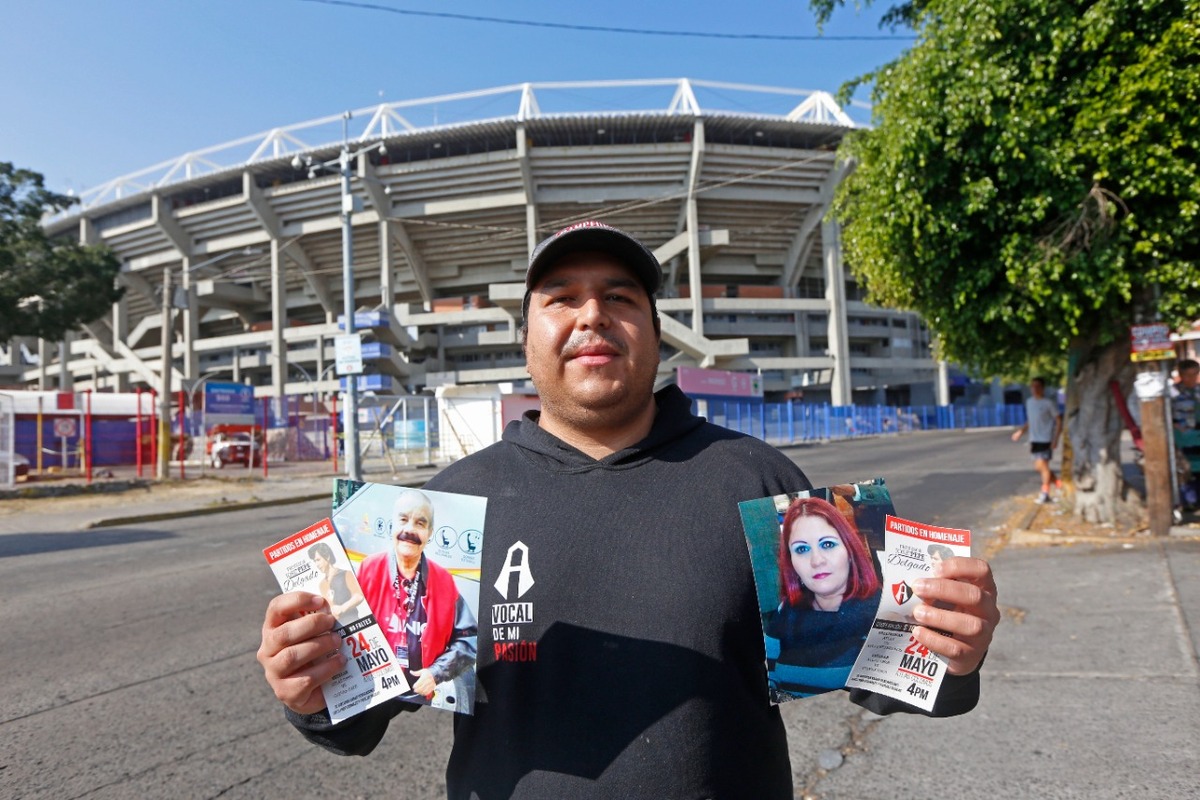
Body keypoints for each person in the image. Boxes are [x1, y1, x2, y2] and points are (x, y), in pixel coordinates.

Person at [257, 220, 1000, 799]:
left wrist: (948, 650)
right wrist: (309, 688)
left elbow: (875, 672)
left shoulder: (756, 477)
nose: (592, 316)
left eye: (619, 297)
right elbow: (353, 723)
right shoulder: (443, 507)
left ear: (653, 329)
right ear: (528, 336)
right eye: (561, 298)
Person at [355, 489, 478, 705]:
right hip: (373, 693)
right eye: (403, 520)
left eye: (420, 524)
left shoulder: (444, 581)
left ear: (430, 533)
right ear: (392, 525)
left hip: (421, 697)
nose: (409, 530)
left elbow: (470, 639)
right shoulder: (368, 570)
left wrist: (436, 673)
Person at [764, 496, 881, 700]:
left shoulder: (882, 611)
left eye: (827, 544)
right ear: (791, 562)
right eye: (801, 549)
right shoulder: (786, 610)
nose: (816, 560)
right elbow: (770, 676)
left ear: (850, 551)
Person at [1011, 377, 1063, 503]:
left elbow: (1058, 420)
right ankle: (1059, 484)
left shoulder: (1048, 403)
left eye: (1038, 386)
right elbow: (1030, 420)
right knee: (1039, 467)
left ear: (1043, 388)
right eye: (1032, 386)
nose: (1035, 389)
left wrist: (1055, 438)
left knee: (1043, 465)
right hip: (1034, 439)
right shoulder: (1029, 402)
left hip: (1046, 438)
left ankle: (1045, 493)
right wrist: (1020, 431)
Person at [307, 541, 367, 626]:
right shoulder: (322, 584)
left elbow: (359, 596)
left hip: (354, 623)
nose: (317, 564)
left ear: (327, 557)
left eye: (318, 560)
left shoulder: (346, 574)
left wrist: (342, 608)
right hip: (336, 627)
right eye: (314, 561)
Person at [1171, 359, 1200, 508]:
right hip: (1183, 438)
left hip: (1198, 437)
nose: (1192, 378)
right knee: (1185, 470)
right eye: (1188, 375)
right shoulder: (1172, 393)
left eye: (1195, 374)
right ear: (1181, 374)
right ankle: (1189, 501)